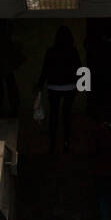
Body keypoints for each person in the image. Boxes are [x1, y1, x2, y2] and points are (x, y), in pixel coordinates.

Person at [36, 26, 81, 154]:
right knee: (66, 115)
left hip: (53, 87)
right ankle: (66, 142)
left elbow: (45, 70)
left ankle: (52, 143)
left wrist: (39, 85)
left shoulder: (51, 51)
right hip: (70, 87)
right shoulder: (73, 51)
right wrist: (81, 86)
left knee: (54, 115)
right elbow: (79, 69)